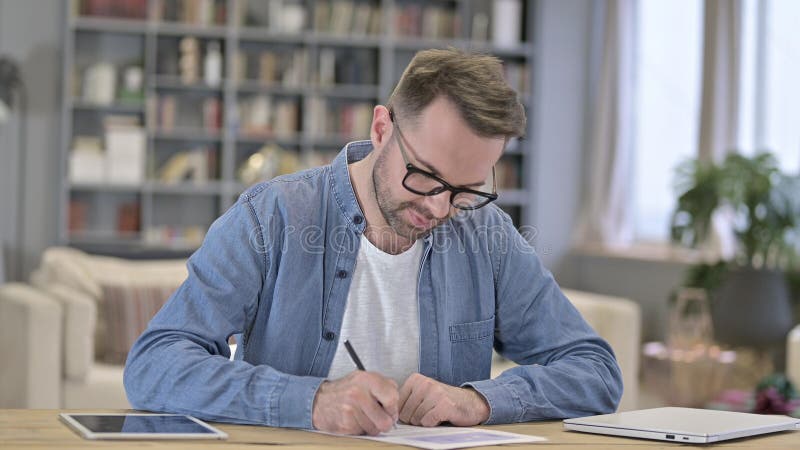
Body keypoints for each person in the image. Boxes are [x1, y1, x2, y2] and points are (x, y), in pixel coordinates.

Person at [124, 48, 623, 436]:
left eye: (465, 189)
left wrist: (479, 401)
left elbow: (595, 371)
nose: (439, 209)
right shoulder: (272, 217)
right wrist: (312, 402)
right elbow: (155, 363)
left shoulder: (485, 235)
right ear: (382, 128)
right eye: (426, 177)